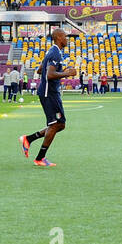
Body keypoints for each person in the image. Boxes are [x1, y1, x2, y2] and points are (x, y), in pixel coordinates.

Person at [19, 29, 76, 166]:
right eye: (65, 36)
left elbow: (40, 70)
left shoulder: (53, 51)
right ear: (58, 37)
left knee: (60, 124)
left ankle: (29, 139)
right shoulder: (55, 52)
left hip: (50, 92)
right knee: (55, 124)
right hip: (48, 93)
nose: (67, 39)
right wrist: (66, 73)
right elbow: (49, 74)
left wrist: (60, 72)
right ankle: (39, 158)